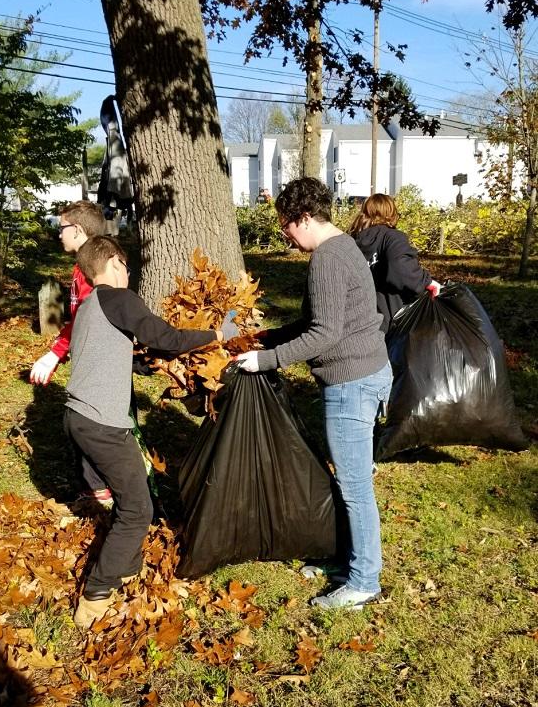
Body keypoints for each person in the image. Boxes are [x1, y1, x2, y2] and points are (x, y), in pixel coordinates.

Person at [67, 235, 239, 631]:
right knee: (138, 509)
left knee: (128, 496)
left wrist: (153, 366)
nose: (128, 274)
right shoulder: (118, 298)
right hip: (103, 424)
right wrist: (217, 336)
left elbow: (115, 355)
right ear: (114, 262)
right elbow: (166, 337)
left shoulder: (90, 307)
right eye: (127, 267)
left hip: (78, 417)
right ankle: (95, 597)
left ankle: (126, 566)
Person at [236, 177, 392, 612]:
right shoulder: (346, 247)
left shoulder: (326, 258)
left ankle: (364, 581)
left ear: (304, 218)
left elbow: (324, 334)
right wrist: (269, 337)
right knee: (349, 481)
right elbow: (318, 321)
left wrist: (266, 361)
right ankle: (348, 561)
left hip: (351, 383)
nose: (285, 234)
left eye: (286, 225)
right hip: (370, 370)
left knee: (355, 488)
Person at [30, 200, 113, 504]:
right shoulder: (81, 266)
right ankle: (97, 486)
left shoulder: (95, 268)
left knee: (87, 422)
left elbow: (89, 319)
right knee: (83, 419)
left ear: (77, 229)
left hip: (100, 360)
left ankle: (100, 490)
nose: (58, 233)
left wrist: (55, 353)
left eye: (62, 227)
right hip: (89, 357)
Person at [350, 193, 441, 332]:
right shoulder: (392, 238)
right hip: (390, 326)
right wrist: (427, 282)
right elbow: (402, 267)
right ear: (391, 213)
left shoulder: (352, 243)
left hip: (357, 326)